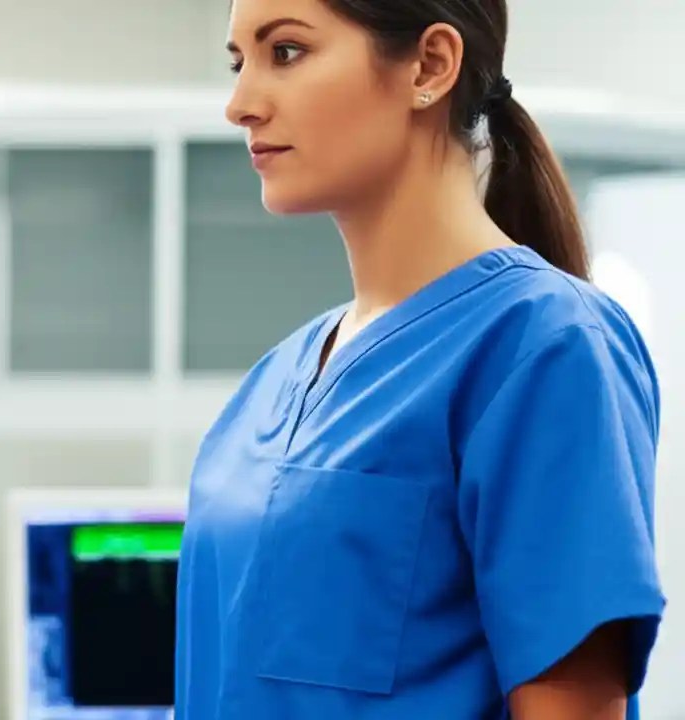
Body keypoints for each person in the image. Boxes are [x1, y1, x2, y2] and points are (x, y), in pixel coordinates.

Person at [174, 1, 665, 718]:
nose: (240, 104)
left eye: (285, 52)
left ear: (429, 65)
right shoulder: (276, 377)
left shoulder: (545, 345)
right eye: (237, 61)